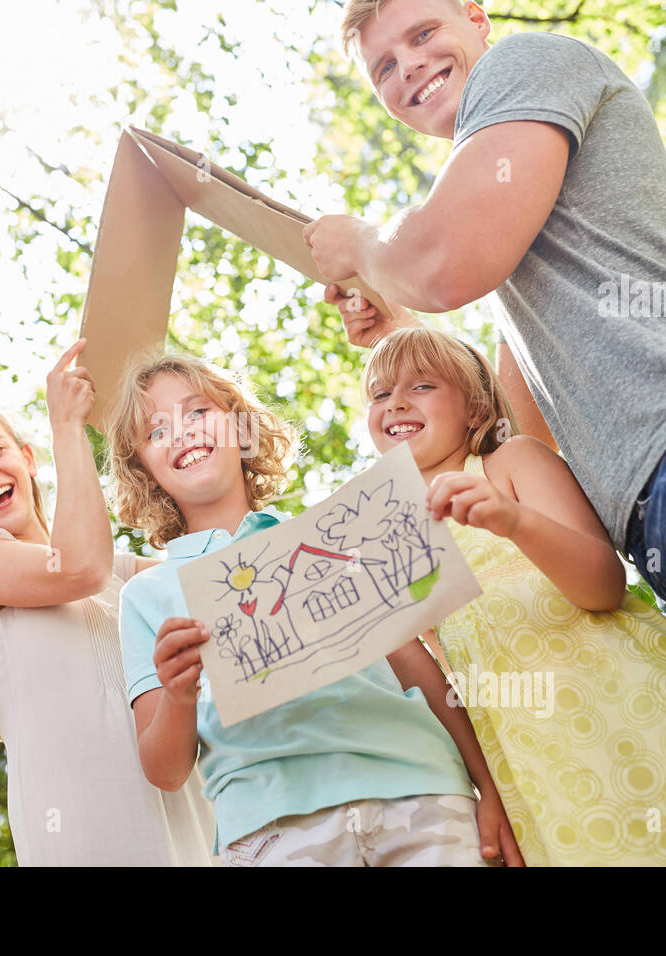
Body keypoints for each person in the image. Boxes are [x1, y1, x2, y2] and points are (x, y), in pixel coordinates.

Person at [303, 0, 666, 815]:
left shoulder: (524, 66)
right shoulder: (521, 241)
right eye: (383, 65)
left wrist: (364, 249)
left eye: (422, 35)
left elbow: (446, 261)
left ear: (476, 17)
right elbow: (520, 426)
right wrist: (403, 327)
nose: (408, 65)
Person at [360, 325, 666, 864]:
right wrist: (489, 789)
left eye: (422, 386)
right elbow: (433, 675)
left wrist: (513, 521)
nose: (396, 402)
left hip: (630, 697)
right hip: (533, 752)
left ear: (476, 408)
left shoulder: (512, 463)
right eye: (380, 393)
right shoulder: (389, 538)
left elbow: (602, 585)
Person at [106, 350, 522, 866]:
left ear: (242, 428)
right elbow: (165, 772)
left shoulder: (334, 535)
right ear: (143, 471)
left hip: (420, 791)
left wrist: (490, 788)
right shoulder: (146, 595)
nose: (183, 431)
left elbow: (416, 665)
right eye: (156, 430)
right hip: (269, 828)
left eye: (198, 411)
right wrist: (177, 693)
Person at [0, 340, 214, 866]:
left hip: (180, 805)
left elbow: (212, 579)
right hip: (83, 823)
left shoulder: (120, 575)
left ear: (26, 460)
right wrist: (67, 426)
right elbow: (78, 568)